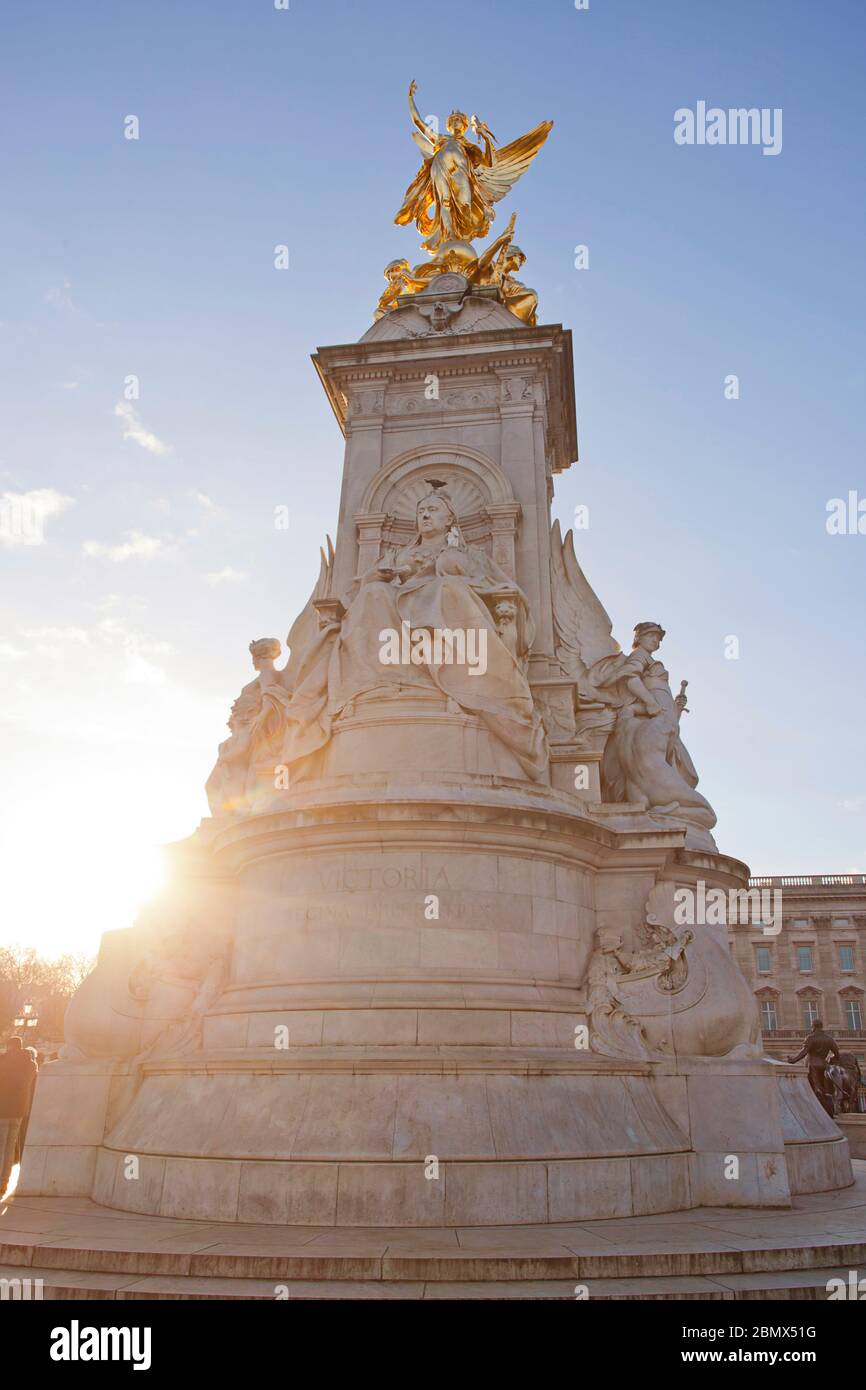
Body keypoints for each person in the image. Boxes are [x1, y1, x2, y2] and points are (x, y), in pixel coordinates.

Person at [0, 1036, 39, 1192]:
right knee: (9, 1148)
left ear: (9, 1046)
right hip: (19, 1111)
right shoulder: (31, 1064)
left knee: (0, 1146)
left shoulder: (2, 1061)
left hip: (2, 1109)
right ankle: (4, 1183)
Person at [787, 1020, 840, 1116]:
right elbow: (837, 1054)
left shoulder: (810, 1038)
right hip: (824, 1065)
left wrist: (793, 1060)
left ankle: (815, 1110)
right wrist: (830, 1058)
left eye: (812, 1027)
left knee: (814, 1089)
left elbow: (804, 1052)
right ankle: (828, 1111)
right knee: (825, 1089)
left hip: (812, 1065)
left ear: (814, 1027)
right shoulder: (829, 1039)